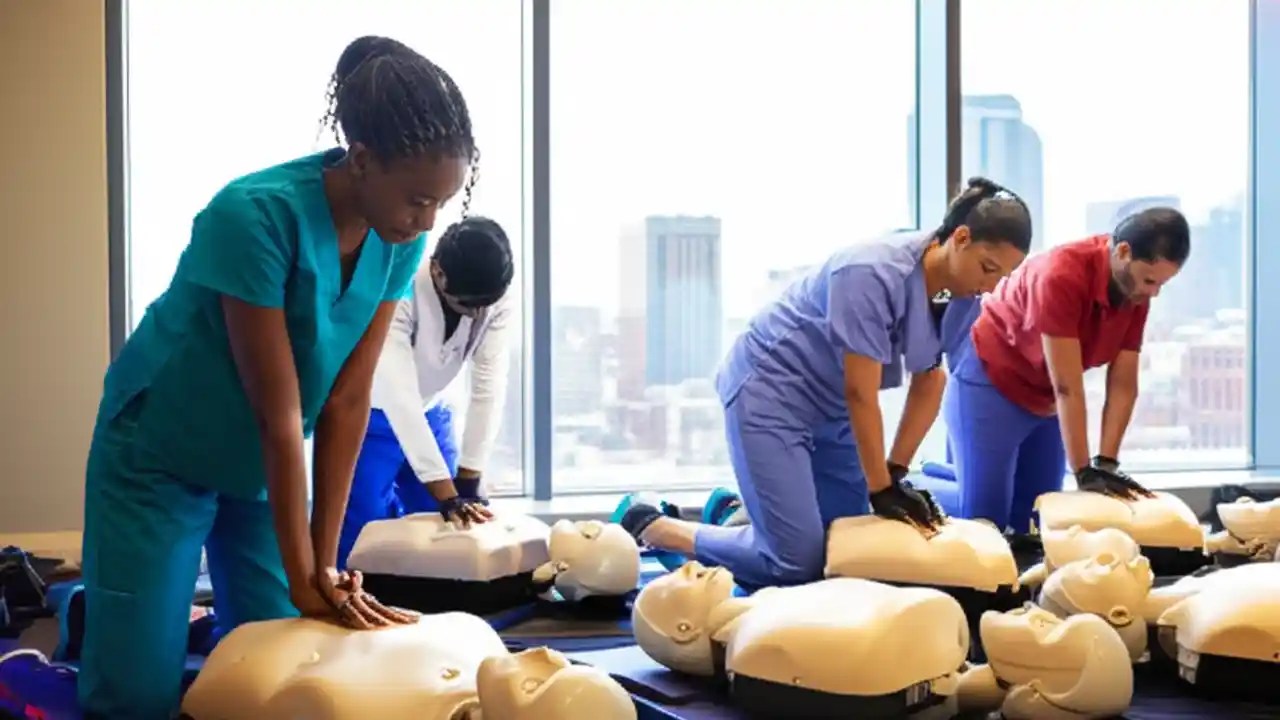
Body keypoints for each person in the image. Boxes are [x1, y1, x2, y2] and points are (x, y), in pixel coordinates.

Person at [78, 35, 478, 719]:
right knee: (138, 693)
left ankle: (136, 608)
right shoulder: (252, 214)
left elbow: (350, 399)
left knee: (285, 659)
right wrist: (305, 575)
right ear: (362, 160)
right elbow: (280, 409)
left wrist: (325, 567)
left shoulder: (397, 239)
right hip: (162, 451)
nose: (428, 222)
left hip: (259, 470)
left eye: (443, 202)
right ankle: (90, 619)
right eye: (417, 200)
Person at [616, 178, 1034, 590]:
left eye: (1005, 276)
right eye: (988, 268)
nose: (991, 285)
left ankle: (736, 514)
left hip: (831, 408)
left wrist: (896, 473)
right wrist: (881, 489)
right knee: (796, 564)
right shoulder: (871, 271)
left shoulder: (962, 298)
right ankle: (654, 524)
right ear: (960, 238)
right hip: (770, 392)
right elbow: (861, 392)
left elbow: (931, 378)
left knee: (847, 549)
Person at [916, 208, 1190, 536]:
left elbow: (1123, 385)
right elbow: (1068, 387)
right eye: (1150, 280)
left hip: (1046, 400)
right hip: (991, 383)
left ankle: (963, 472)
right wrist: (1084, 472)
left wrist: (1106, 464)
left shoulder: (1136, 290)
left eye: (1162, 284)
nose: (1153, 293)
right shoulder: (1062, 274)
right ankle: (914, 484)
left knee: (1036, 518)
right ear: (1123, 252)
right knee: (985, 523)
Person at [337, 216, 514, 569]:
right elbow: (398, 396)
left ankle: (430, 607)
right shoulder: (400, 289)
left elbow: (488, 387)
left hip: (432, 413)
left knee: (448, 528)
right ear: (437, 271)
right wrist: (447, 493)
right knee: (363, 527)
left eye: (486, 304)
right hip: (369, 416)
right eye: (468, 304)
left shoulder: (494, 298)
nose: (478, 313)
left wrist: (470, 476)